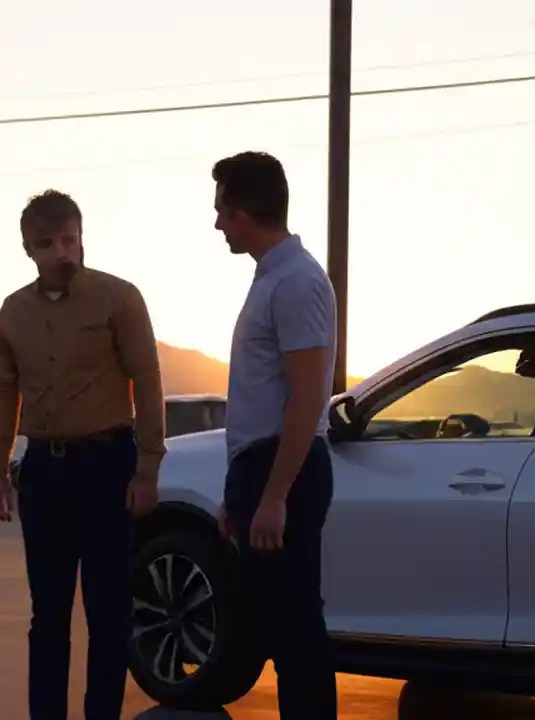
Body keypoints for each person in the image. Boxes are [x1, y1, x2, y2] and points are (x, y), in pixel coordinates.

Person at [0, 189, 166, 720]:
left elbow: (147, 380)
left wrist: (148, 468)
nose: (61, 252)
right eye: (47, 243)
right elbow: (3, 389)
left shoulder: (119, 298)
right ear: (29, 249)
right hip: (43, 471)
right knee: (48, 616)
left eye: (69, 240)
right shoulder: (14, 310)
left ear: (82, 237)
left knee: (108, 613)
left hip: (106, 465)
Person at [211, 151, 339, 718]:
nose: (216, 224)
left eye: (221, 211)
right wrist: (237, 493)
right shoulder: (272, 279)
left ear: (243, 214)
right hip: (261, 470)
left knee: (295, 633)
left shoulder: (296, 282)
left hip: (286, 472)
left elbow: (308, 398)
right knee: (278, 623)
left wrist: (274, 496)